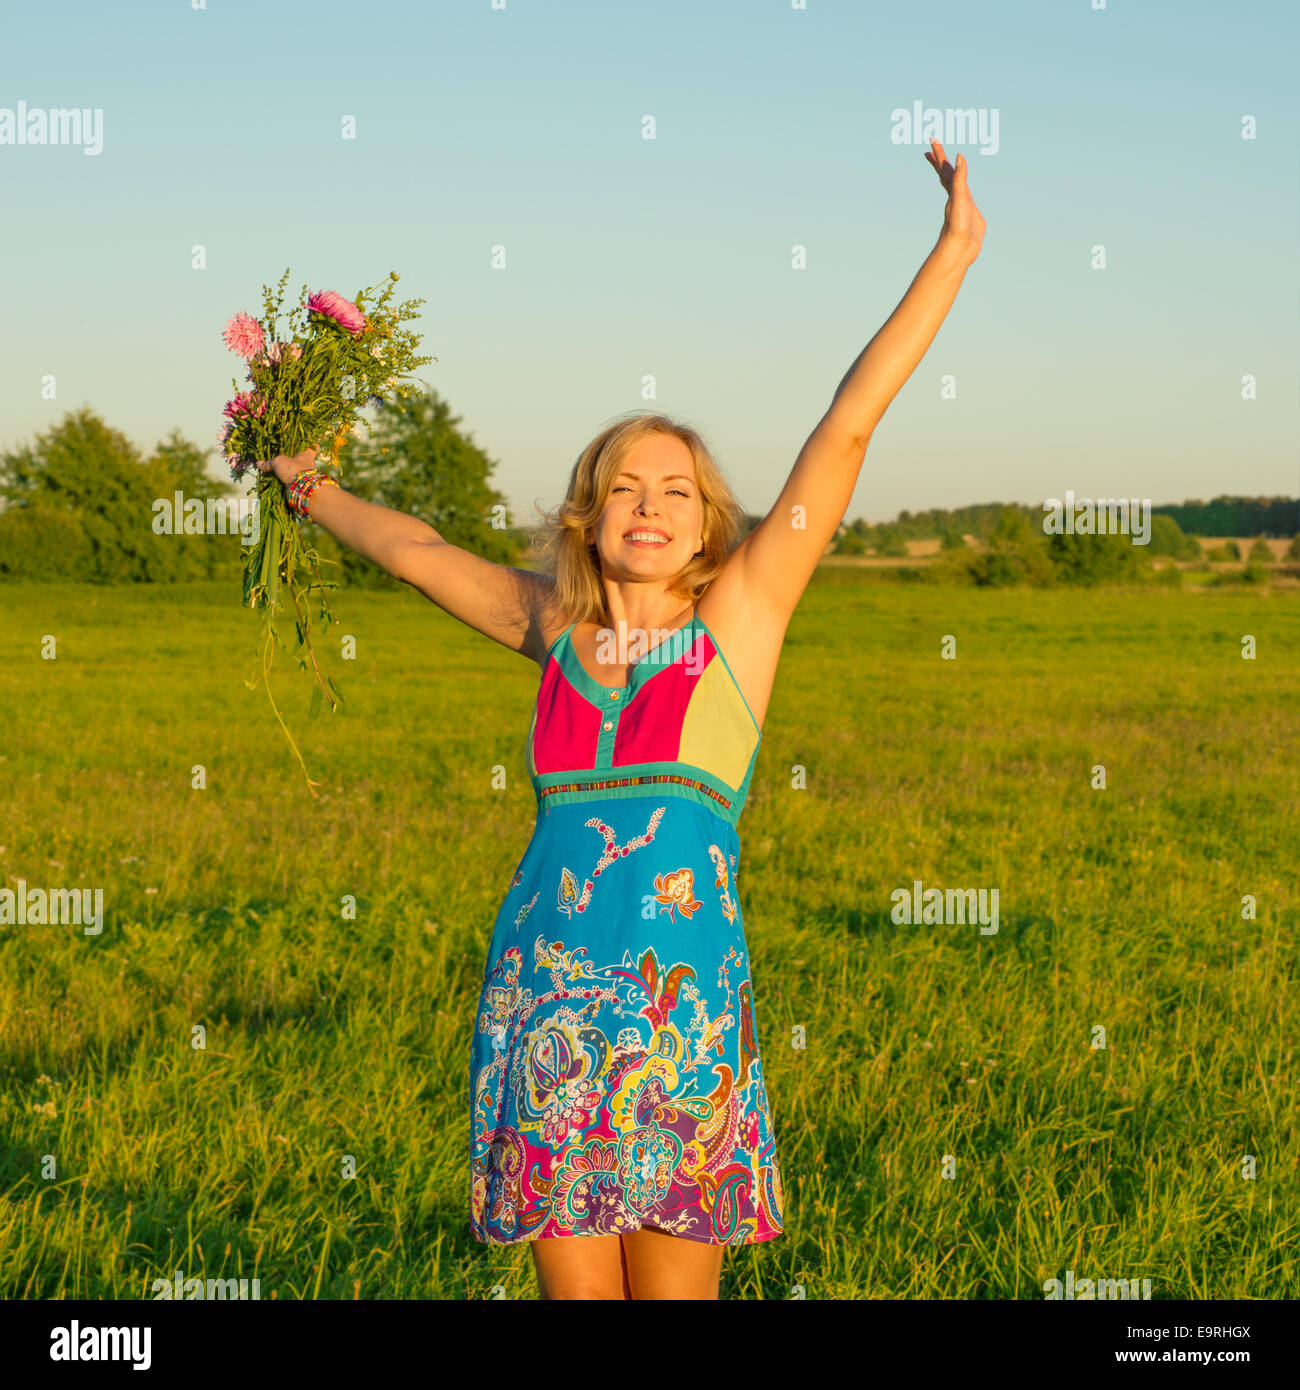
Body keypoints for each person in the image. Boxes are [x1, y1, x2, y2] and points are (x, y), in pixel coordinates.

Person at [260, 138, 983, 1300]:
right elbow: (417, 551)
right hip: (543, 997)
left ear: (708, 525)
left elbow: (846, 427)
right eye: (623, 489)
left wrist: (952, 249)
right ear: (588, 518)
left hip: (681, 1018)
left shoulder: (741, 616)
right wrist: (307, 484)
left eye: (676, 490)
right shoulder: (548, 626)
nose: (648, 506)